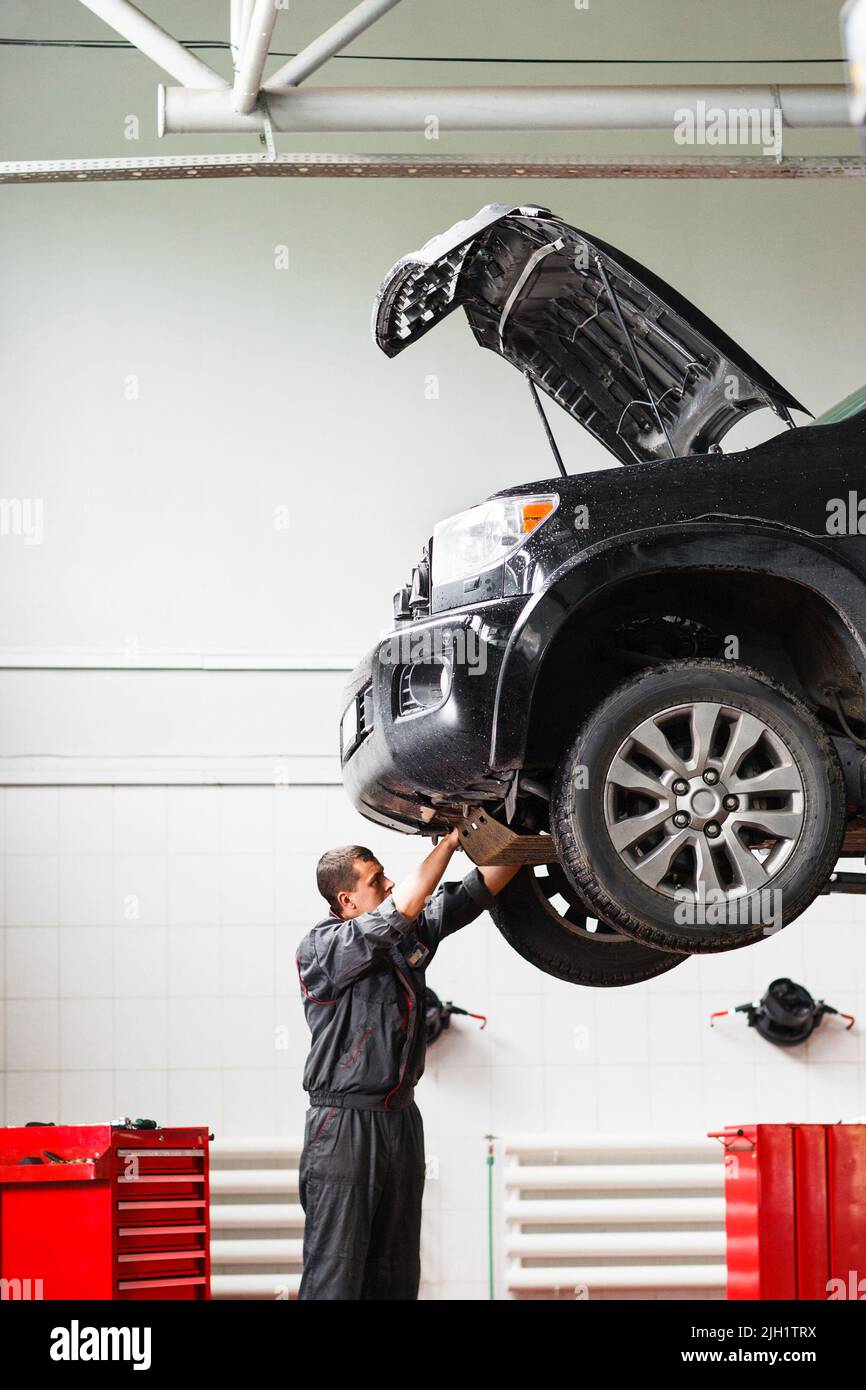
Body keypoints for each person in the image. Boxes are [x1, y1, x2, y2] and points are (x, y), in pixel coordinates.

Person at [295, 827, 520, 1300]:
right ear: (347, 900)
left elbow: (478, 889)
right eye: (377, 880)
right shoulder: (323, 948)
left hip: (400, 1119)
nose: (390, 884)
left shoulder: (403, 937)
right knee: (337, 1274)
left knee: (395, 1273)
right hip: (343, 1125)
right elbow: (407, 906)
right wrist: (450, 841)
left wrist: (531, 835)